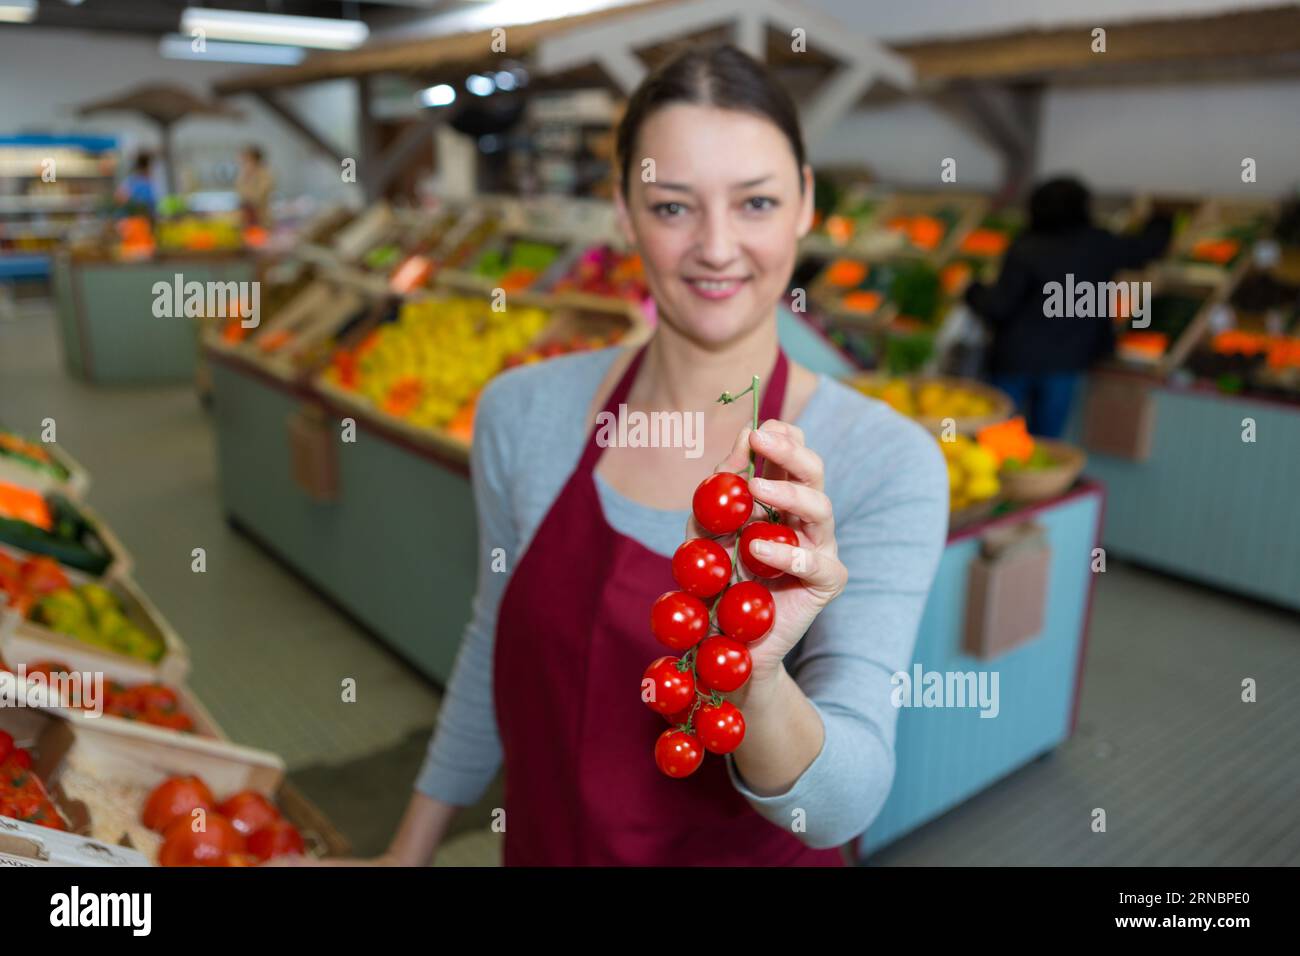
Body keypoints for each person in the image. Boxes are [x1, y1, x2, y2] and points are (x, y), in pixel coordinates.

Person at [294, 43, 947, 867]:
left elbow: (840, 806)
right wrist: (410, 849)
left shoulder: (884, 462)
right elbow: (492, 637)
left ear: (805, 204)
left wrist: (754, 678)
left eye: (755, 202)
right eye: (673, 206)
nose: (716, 247)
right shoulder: (524, 412)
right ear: (624, 210)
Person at [964, 177, 1173, 437]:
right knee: (1047, 445)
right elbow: (1148, 248)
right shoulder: (1099, 244)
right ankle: (1042, 479)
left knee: (999, 438)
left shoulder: (1027, 247)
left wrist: (972, 291)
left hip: (1015, 358)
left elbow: (999, 305)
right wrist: (1164, 214)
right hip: (1067, 361)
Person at [235, 145, 274, 228]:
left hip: (260, 217)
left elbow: (258, 196)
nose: (243, 161)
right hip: (246, 217)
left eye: (246, 158)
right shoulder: (243, 174)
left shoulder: (265, 174)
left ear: (254, 159)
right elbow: (240, 194)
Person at [115, 153, 157, 217]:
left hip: (143, 217)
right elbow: (120, 198)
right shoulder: (135, 181)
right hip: (136, 218)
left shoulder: (133, 180)